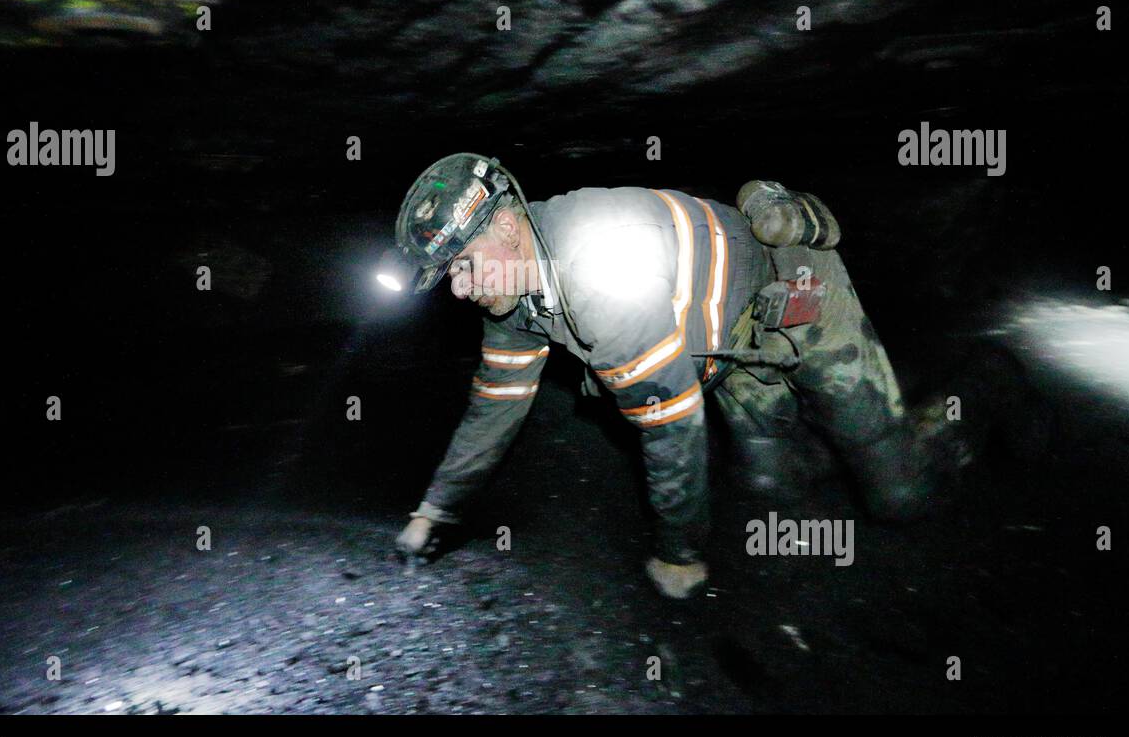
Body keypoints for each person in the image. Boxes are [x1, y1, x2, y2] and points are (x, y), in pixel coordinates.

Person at [383, 154, 936, 599]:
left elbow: (670, 421)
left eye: (463, 265)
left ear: (506, 227)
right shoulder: (512, 297)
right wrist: (436, 509)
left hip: (802, 300)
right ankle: (836, 456)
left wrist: (680, 552)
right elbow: (494, 408)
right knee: (774, 489)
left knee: (900, 492)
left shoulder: (595, 267)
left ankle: (973, 396)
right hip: (732, 354)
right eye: (449, 275)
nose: (459, 288)